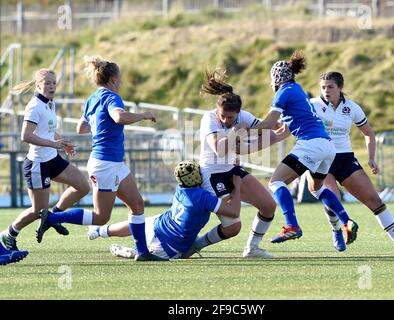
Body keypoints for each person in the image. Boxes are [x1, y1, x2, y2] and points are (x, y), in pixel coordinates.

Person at [35, 56, 165, 262]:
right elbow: (119, 117)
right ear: (113, 79)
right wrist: (143, 115)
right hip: (105, 164)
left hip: (114, 163)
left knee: (137, 204)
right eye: (119, 78)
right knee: (101, 217)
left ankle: (142, 252)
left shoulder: (93, 98)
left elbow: (82, 127)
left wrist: (100, 125)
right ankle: (51, 217)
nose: (121, 82)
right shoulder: (112, 97)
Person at [236, 51, 359, 246]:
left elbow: (269, 122)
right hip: (327, 146)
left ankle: (291, 225)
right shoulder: (298, 89)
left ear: (275, 79)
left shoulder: (283, 91)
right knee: (316, 189)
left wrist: (247, 128)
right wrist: (255, 138)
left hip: (310, 143)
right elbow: (282, 130)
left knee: (276, 182)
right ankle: (346, 221)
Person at [183, 69, 290, 259]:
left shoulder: (243, 117)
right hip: (212, 175)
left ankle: (252, 249)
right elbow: (220, 149)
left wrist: (287, 124)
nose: (225, 120)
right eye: (222, 115)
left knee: (268, 205)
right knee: (233, 227)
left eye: (230, 117)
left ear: (238, 113)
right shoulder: (209, 119)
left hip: (232, 169)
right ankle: (195, 245)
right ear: (218, 110)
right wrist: (238, 132)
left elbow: (267, 127)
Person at [310, 71, 394, 254]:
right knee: (333, 198)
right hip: (321, 158)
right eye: (323, 87)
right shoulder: (312, 105)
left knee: (374, 200)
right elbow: (292, 124)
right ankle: (336, 230)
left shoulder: (352, 108)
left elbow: (368, 133)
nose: (326, 91)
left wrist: (371, 158)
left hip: (345, 159)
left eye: (330, 87)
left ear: (340, 87)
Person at [0, 69, 89, 253]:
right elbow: (25, 136)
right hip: (37, 164)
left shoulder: (50, 103)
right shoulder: (34, 106)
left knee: (83, 186)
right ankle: (9, 234)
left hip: (52, 158)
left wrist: (62, 143)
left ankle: (53, 216)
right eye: (47, 83)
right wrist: (53, 144)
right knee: (36, 211)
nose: (51, 86)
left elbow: (48, 130)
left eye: (53, 83)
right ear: (38, 85)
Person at [86, 160, 243, 260]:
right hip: (169, 247)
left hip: (160, 224)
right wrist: (238, 186)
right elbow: (234, 212)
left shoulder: (180, 188)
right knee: (150, 252)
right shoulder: (203, 196)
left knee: (137, 222)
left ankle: (99, 231)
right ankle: (133, 252)